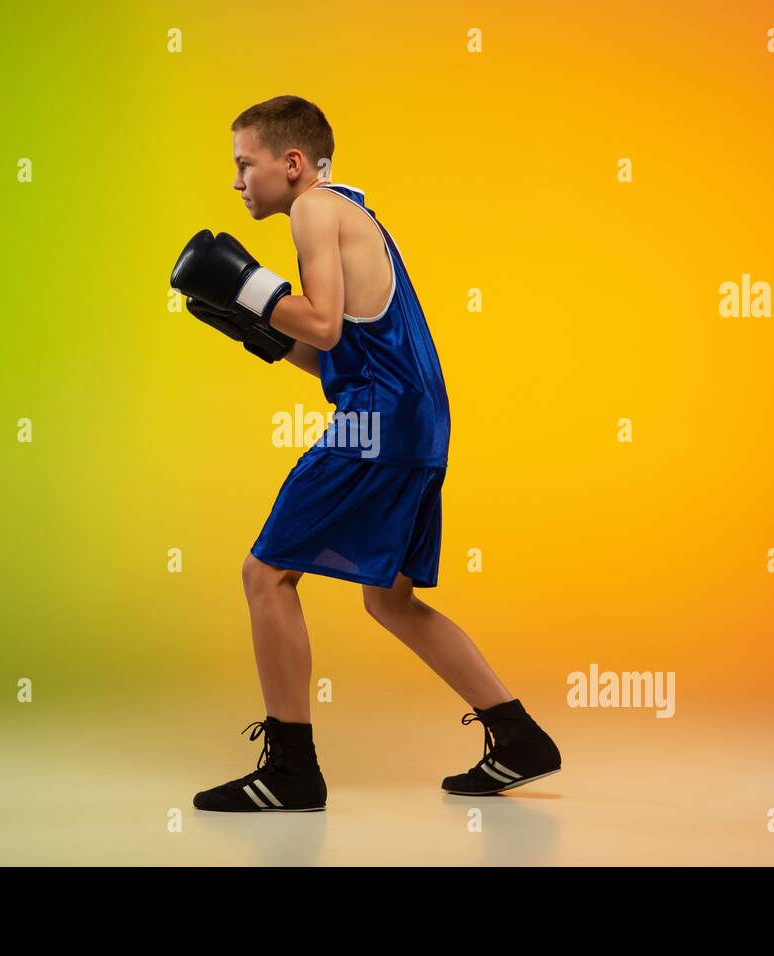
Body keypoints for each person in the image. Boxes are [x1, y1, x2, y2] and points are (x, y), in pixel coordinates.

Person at [169, 95, 561, 812]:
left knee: (265, 576)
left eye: (244, 165)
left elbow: (318, 324)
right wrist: (248, 327)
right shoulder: (352, 213)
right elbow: (333, 358)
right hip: (416, 422)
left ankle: (291, 770)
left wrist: (247, 286)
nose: (237, 182)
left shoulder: (314, 210)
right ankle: (519, 736)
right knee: (390, 600)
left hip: (377, 424)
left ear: (291, 164)